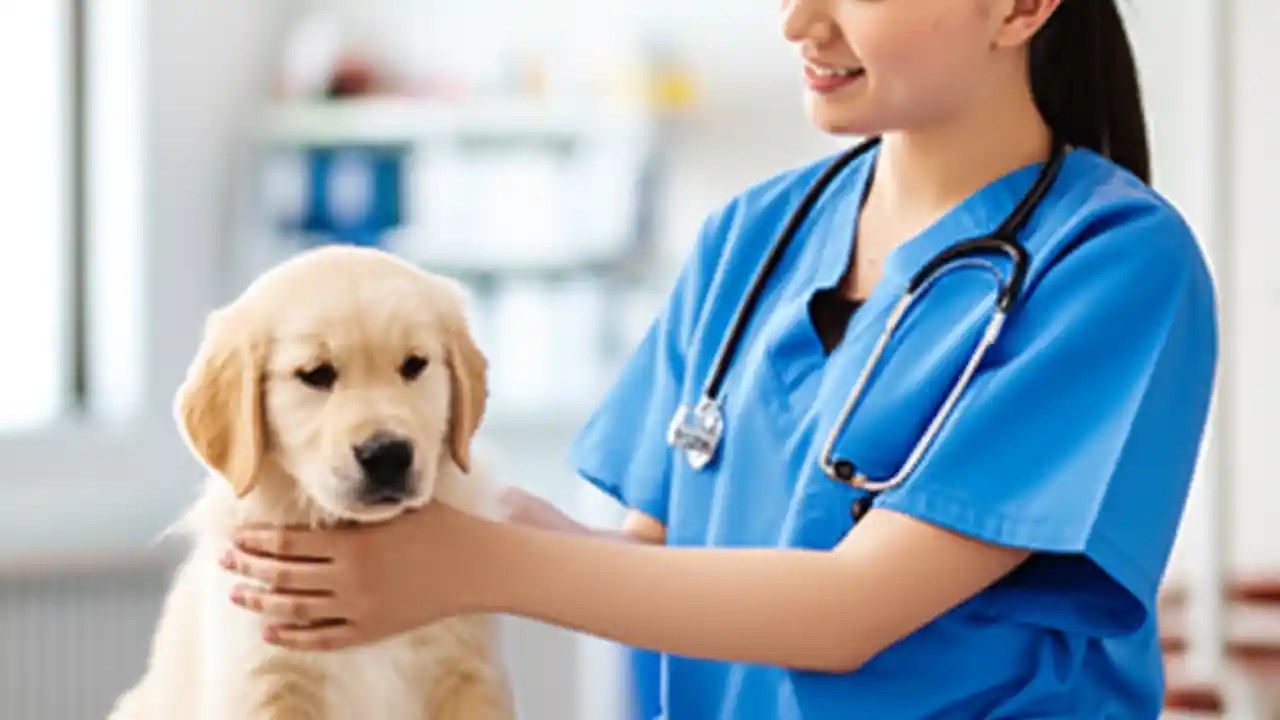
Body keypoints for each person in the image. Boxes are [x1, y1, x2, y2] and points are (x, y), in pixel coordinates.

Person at [220, 0, 1220, 716]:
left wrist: (483, 562)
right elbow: (663, 574)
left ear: (1020, 7)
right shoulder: (752, 240)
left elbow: (848, 613)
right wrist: (508, 530)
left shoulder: (1110, 264)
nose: (798, 22)